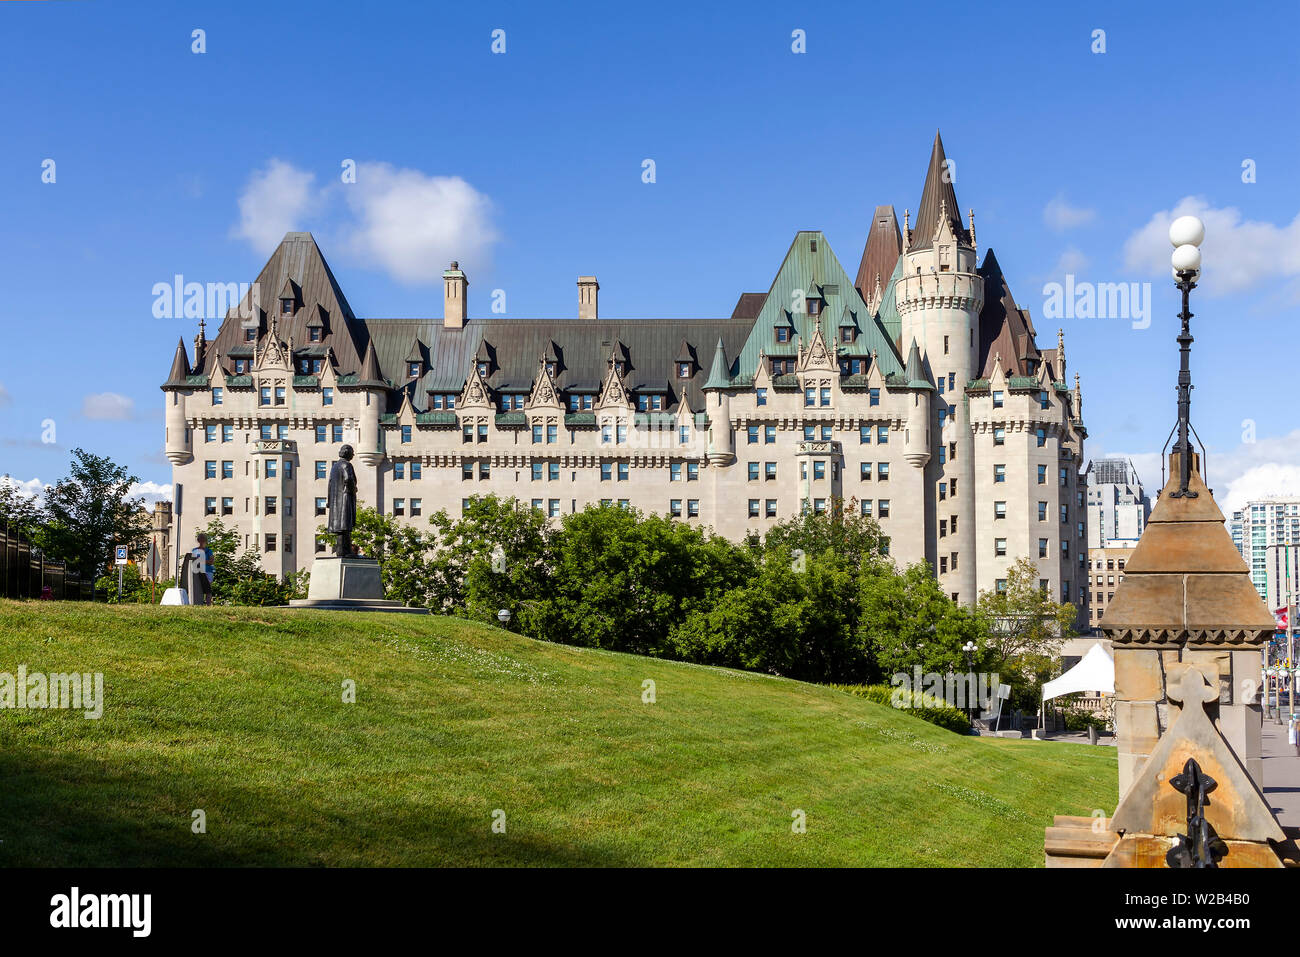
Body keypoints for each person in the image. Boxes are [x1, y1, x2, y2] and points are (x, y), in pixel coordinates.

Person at [191, 533, 214, 606]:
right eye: (200, 539)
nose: (202, 541)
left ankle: (208, 604)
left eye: (203, 540)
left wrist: (200, 560)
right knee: (198, 588)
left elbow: (211, 561)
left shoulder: (209, 551)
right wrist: (203, 561)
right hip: (198, 571)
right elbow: (193, 561)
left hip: (207, 571)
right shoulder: (194, 550)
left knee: (208, 589)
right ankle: (198, 603)